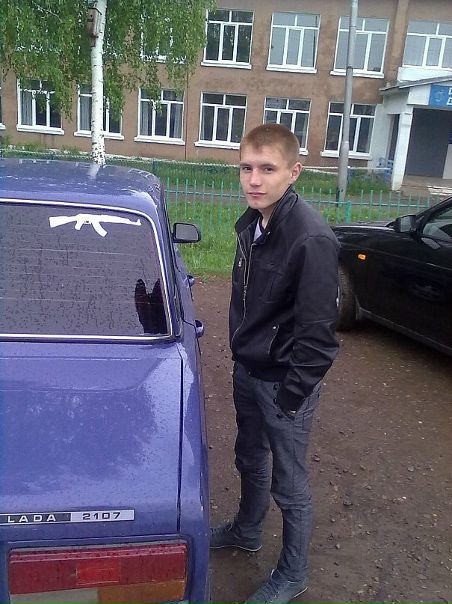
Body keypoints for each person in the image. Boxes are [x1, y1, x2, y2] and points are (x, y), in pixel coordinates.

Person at [210, 124, 339, 604]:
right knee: (249, 457)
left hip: (284, 384)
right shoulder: (252, 224)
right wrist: (242, 358)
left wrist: (290, 396)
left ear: (294, 172)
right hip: (249, 370)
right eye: (247, 168)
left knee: (290, 484)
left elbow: (319, 338)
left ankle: (293, 573)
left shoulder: (310, 238)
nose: (254, 180)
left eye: (267, 169)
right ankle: (246, 531)